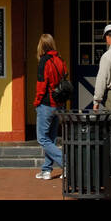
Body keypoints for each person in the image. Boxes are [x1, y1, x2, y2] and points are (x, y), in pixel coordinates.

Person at [32, 34, 68, 180]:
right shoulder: (61, 60)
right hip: (59, 104)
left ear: (41, 45)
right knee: (51, 138)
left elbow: (41, 85)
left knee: (42, 139)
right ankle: (46, 170)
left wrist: (36, 102)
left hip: (46, 104)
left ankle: (67, 164)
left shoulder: (44, 62)